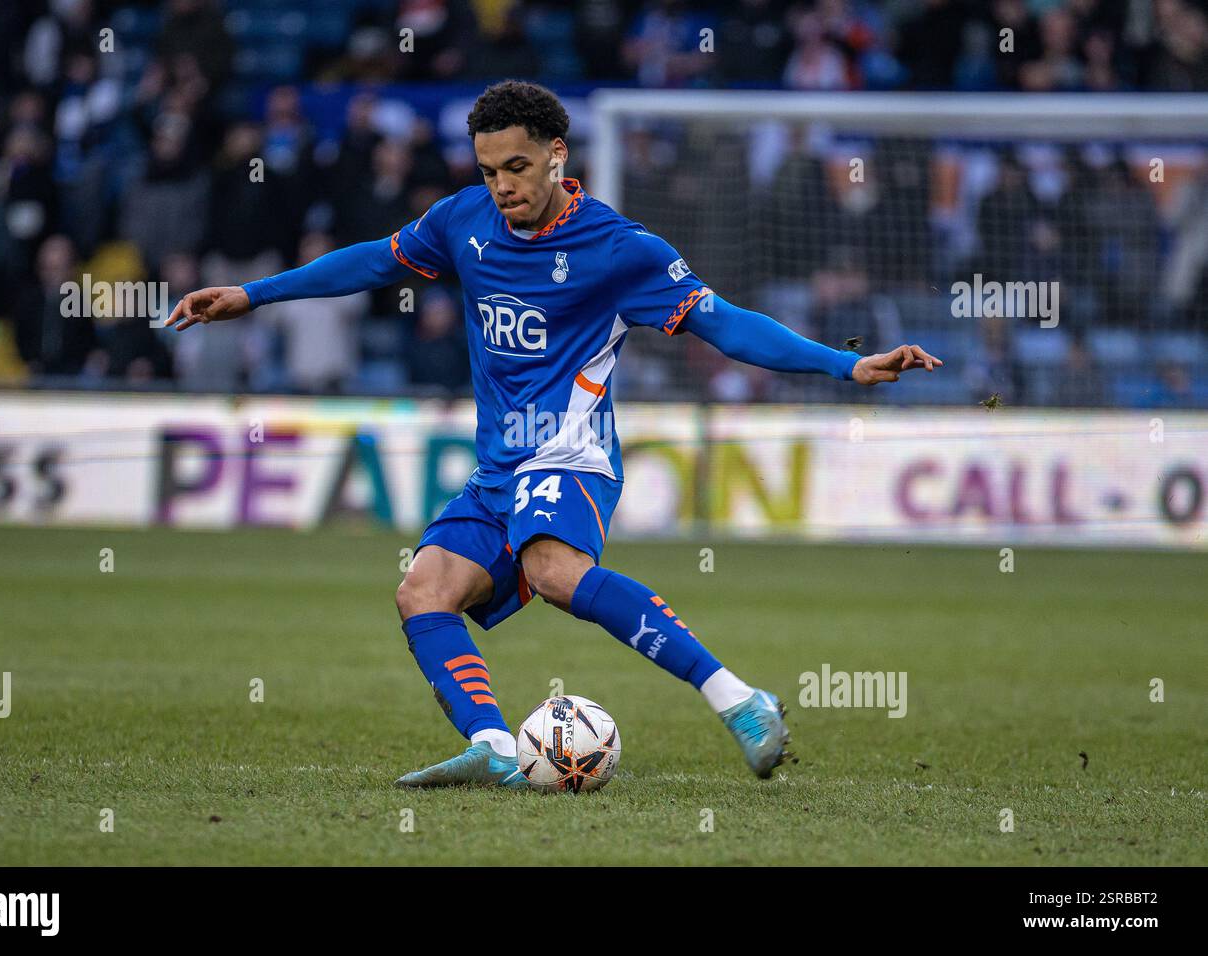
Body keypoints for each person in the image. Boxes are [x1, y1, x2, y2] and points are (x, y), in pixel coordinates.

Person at [166, 80, 942, 787]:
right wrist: (254, 294)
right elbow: (376, 262)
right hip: (498, 468)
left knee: (552, 567)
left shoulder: (619, 249)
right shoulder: (463, 221)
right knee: (422, 590)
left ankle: (740, 700)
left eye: (517, 166)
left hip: (572, 453)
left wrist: (846, 368)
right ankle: (496, 748)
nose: (502, 186)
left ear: (557, 156)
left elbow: (724, 323)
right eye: (488, 170)